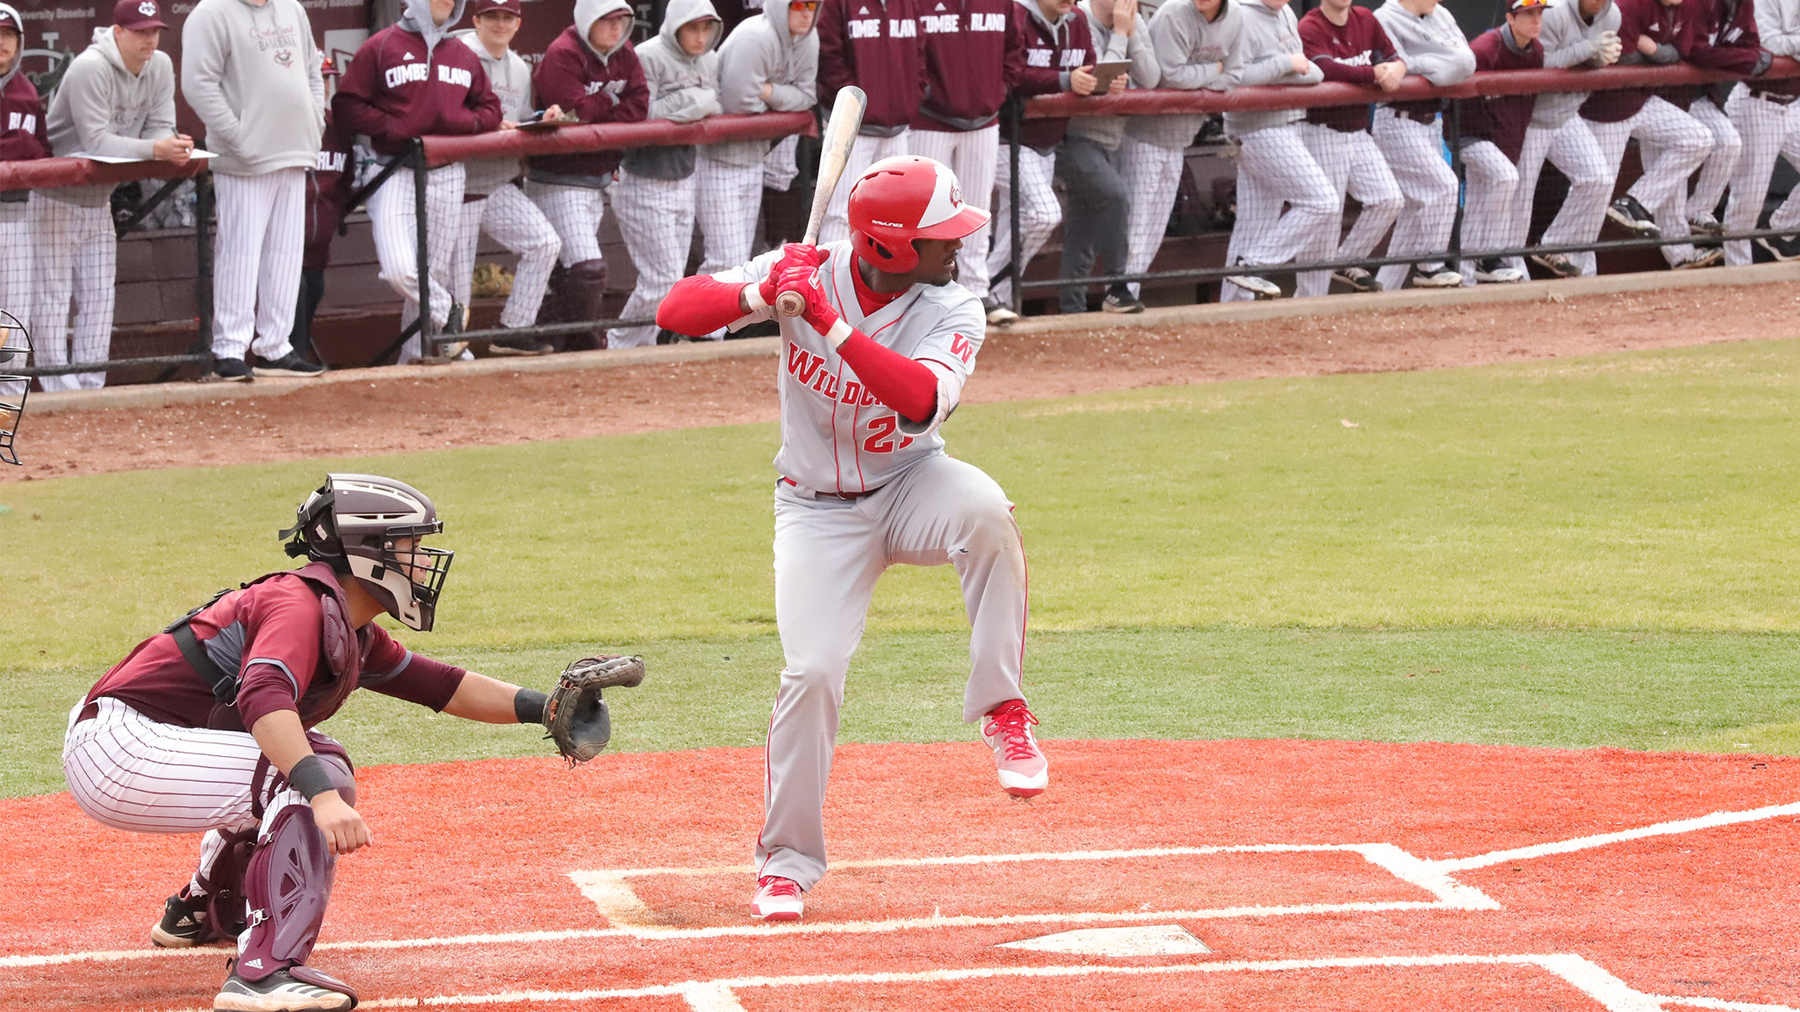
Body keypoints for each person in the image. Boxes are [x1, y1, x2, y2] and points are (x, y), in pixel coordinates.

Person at [655, 155, 1046, 922]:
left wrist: (825, 322)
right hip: (815, 510)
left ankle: (1003, 707)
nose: (957, 246)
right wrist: (757, 292)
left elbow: (919, 400)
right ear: (891, 247)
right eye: (941, 237)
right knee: (811, 672)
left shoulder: (956, 305)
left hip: (912, 483)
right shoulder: (802, 268)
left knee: (988, 512)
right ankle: (785, 866)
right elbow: (675, 311)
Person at [61, 474, 617, 1012]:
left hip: (135, 743)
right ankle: (264, 973)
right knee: (314, 768)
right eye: (409, 546)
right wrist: (322, 796)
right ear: (367, 552)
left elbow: (441, 686)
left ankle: (203, 909)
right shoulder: (298, 604)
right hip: (125, 747)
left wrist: (543, 707)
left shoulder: (343, 623)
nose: (421, 561)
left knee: (297, 763)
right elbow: (263, 696)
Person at [332, 0, 503, 364]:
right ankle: (451, 312)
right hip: (394, 169)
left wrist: (460, 124)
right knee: (400, 270)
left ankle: (414, 360)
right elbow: (346, 105)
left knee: (430, 274)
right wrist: (394, 127)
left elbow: (490, 108)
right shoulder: (381, 46)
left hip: (447, 173)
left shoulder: (462, 53)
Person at [36, 0, 191, 392]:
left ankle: (89, 386)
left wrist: (169, 143)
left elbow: (161, 125)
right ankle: (59, 390)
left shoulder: (160, 66)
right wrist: (157, 150)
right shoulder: (91, 66)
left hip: (98, 199)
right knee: (53, 299)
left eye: (154, 31)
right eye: (140, 32)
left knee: (100, 297)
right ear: (117, 32)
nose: (150, 40)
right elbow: (97, 142)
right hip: (55, 196)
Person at [182, 0, 329, 381]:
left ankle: (275, 347)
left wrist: (314, 121)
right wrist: (238, 136)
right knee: (240, 252)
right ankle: (230, 348)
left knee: (286, 252)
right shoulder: (211, 13)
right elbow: (198, 84)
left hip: (294, 147)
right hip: (244, 158)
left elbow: (313, 70)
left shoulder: (292, 8)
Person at [527, 0, 649, 351]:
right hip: (556, 180)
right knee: (587, 268)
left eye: (621, 20)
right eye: (606, 20)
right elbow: (575, 110)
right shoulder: (563, 53)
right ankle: (588, 346)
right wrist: (611, 102)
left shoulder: (624, 52)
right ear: (587, 20)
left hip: (596, 178)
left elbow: (640, 104)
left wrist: (600, 109)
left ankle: (548, 339)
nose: (615, 28)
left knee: (572, 274)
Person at [450, 0, 564, 356]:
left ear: (518, 23)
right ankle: (446, 350)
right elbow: (446, 112)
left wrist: (543, 118)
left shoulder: (518, 66)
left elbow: (521, 119)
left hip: (497, 182)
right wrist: (488, 121)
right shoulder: (456, 54)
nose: (500, 23)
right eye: (492, 16)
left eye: (507, 17)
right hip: (458, 185)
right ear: (476, 20)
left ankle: (513, 329)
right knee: (455, 285)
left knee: (544, 243)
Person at [609, 0, 723, 349]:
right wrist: (693, 100)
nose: (701, 36)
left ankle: (639, 348)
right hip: (642, 177)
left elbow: (716, 105)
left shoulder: (710, 59)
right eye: (692, 27)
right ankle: (619, 345)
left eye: (706, 28)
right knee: (662, 279)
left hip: (683, 177)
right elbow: (642, 115)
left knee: (669, 282)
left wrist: (693, 104)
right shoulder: (648, 56)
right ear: (675, 26)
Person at [701, 0, 821, 331]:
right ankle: (693, 329)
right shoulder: (755, 37)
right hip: (716, 159)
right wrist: (780, 97)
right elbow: (741, 105)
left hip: (754, 158)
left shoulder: (809, 39)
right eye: (798, 6)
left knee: (736, 259)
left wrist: (767, 91)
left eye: (812, 5)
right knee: (723, 258)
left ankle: (707, 334)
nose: (806, 13)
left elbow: (807, 97)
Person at [1582, 0, 1722, 269]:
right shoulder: (1630, 6)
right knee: (1596, 189)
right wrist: (1656, 53)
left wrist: (1652, 49)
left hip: (1641, 98)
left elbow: (1680, 53)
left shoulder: (1688, 7)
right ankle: (1577, 269)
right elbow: (1620, 57)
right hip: (1606, 107)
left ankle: (1635, 202)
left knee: (1698, 138)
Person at [910, 0, 1026, 322]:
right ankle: (920, 293)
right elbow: (911, 52)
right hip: (929, 120)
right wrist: (925, 92)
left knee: (975, 210)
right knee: (925, 212)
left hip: (985, 119)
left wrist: (996, 92)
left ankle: (976, 290)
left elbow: (1016, 50)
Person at [1217, 0, 1341, 302]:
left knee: (1253, 225)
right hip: (1256, 127)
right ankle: (1253, 266)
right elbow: (1232, 77)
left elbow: (1312, 71)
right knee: (1322, 201)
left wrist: (1291, 67)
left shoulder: (1285, 11)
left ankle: (1231, 314)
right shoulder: (1239, 14)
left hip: (1285, 121)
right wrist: (1285, 66)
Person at [986, 0, 1102, 315]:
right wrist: (1065, 80)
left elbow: (1089, 64)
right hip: (1006, 140)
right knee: (1044, 214)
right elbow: (1010, 73)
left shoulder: (1077, 20)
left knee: (1017, 220)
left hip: (1047, 140)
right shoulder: (1016, 15)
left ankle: (998, 299)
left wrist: (1102, 83)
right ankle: (982, 286)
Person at [1124, 0, 1244, 300]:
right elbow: (1169, 77)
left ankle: (1128, 296)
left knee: (1153, 234)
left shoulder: (1237, 16)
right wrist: (1213, 70)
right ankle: (1120, 297)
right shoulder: (1173, 14)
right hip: (1144, 138)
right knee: (1135, 230)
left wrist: (1204, 76)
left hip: (1180, 141)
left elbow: (1235, 74)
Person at [1295, 0, 1407, 295]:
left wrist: (1398, 69)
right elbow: (1325, 69)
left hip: (1358, 131)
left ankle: (1345, 261)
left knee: (1389, 199)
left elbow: (1395, 56)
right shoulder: (1311, 25)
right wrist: (1374, 74)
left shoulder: (1365, 19)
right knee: (1326, 223)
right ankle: (1307, 304)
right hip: (1321, 131)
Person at [1058, 0, 1157, 313]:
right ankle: (1117, 286)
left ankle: (1071, 307)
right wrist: (1118, 34)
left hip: (1111, 139)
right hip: (1073, 137)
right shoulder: (1080, 18)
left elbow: (1152, 78)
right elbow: (1101, 79)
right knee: (1116, 198)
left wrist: (1130, 32)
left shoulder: (1131, 21)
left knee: (1082, 229)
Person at [1513, 0, 1621, 280]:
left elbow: (1591, 64)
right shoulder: (1555, 14)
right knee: (1519, 202)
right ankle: (1512, 276)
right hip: (1530, 118)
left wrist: (1601, 58)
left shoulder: (1613, 15)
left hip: (1566, 114)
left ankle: (1554, 246)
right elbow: (1538, 64)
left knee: (1598, 180)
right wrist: (1588, 49)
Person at [1371, 0, 1474, 290]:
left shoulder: (1440, 14)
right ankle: (1430, 266)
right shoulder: (1384, 17)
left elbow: (1466, 62)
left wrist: (1419, 66)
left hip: (1432, 121)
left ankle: (1383, 292)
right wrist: (1439, 65)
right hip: (1397, 118)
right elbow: (1392, 68)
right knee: (1445, 186)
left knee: (1413, 214)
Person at [814, 0, 927, 243]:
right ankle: (828, 280)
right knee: (839, 214)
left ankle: (878, 281)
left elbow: (919, 51)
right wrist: (854, 104)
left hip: (897, 129)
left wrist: (911, 97)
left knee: (893, 215)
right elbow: (828, 56)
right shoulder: (837, 4)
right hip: (851, 130)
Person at [1454, 0, 1546, 286]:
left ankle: (1466, 278)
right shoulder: (1484, 48)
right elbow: (1460, 96)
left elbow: (1522, 108)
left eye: (1539, 14)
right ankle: (1491, 257)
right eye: (1528, 14)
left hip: (1501, 138)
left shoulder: (1536, 52)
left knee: (1482, 199)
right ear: (1510, 18)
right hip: (1469, 133)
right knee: (1506, 178)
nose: (1536, 21)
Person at [1726, 0, 1800, 262]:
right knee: (1749, 196)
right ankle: (1738, 270)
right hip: (1757, 103)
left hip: (1793, 104)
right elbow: (1769, 43)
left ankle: (1779, 231)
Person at [0, 2, 48, 343]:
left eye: (8, 35)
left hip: (17, 218)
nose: (2, 42)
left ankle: (10, 394)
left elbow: (44, 151)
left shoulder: (27, 93)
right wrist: (19, 144)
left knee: (13, 319)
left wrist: (22, 147)